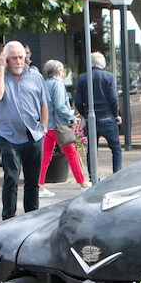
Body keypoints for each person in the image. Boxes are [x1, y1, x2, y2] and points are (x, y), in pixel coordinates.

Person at [0, 41, 48, 218]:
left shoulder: (35, 76)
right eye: (13, 57)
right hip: (9, 137)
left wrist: (44, 128)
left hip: (33, 135)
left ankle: (32, 218)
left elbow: (44, 103)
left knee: (32, 181)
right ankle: (8, 218)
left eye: (21, 57)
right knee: (11, 179)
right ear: (6, 59)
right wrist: (1, 68)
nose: (18, 61)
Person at [39, 60, 89, 195]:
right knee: (71, 153)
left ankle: (40, 186)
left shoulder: (43, 84)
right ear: (58, 72)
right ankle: (83, 183)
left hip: (47, 125)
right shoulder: (58, 84)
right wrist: (71, 118)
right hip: (59, 125)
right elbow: (60, 106)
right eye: (63, 71)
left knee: (45, 156)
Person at [75, 51, 123, 176]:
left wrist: (85, 114)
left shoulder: (82, 78)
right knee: (116, 148)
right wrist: (116, 114)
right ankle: (116, 175)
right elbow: (113, 98)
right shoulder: (109, 77)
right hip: (107, 116)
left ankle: (93, 177)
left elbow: (78, 102)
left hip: (91, 119)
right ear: (102, 62)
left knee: (92, 149)